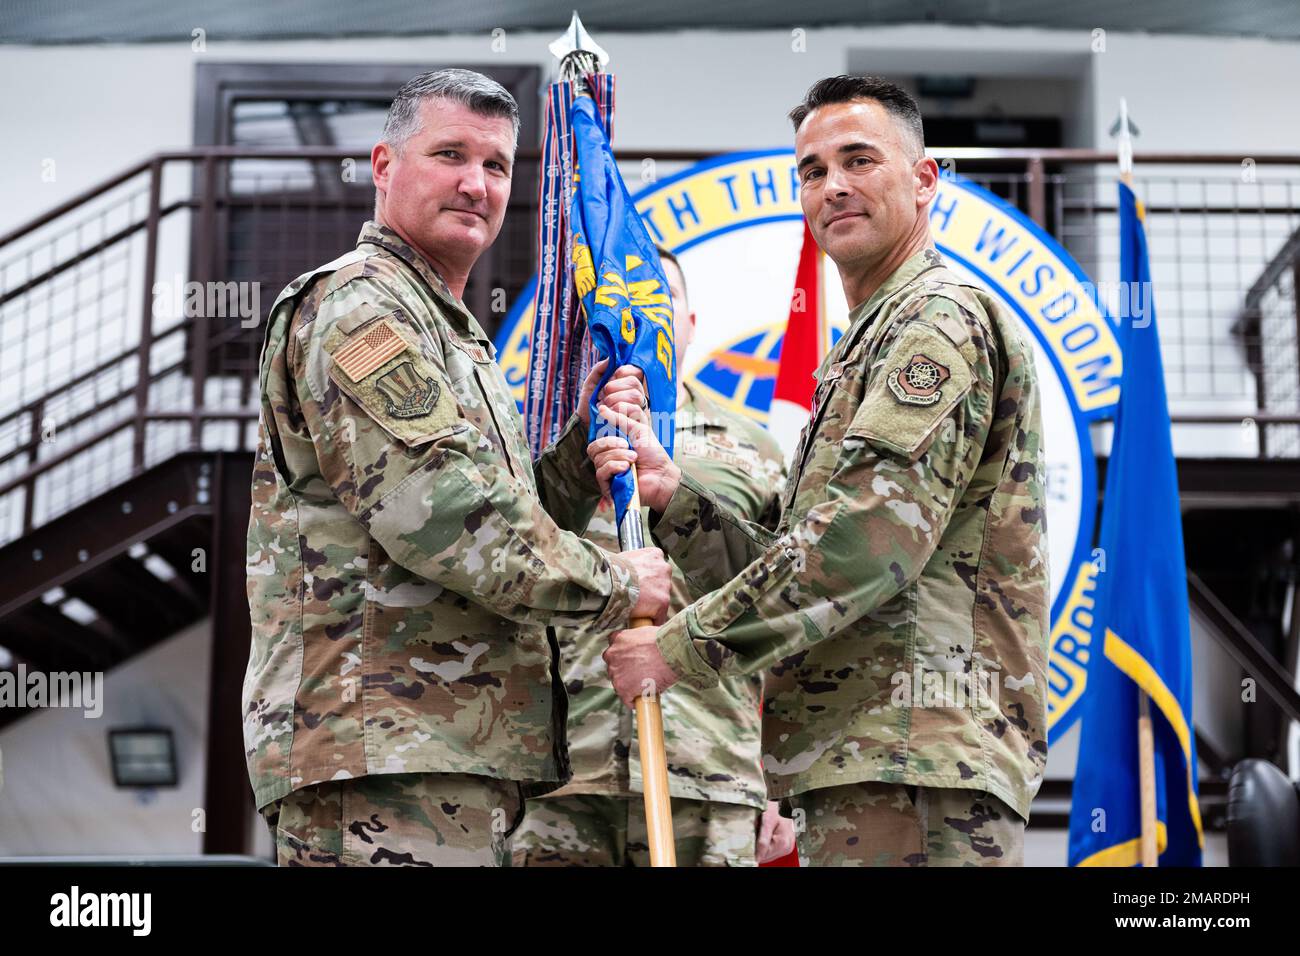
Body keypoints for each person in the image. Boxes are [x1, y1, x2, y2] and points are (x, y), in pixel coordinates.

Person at [590, 75, 1049, 866]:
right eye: (811, 170)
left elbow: (868, 544)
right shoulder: (866, 342)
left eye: (859, 160)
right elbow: (802, 548)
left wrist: (682, 646)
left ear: (925, 178)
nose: (833, 186)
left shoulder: (934, 322)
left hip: (915, 757)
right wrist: (677, 500)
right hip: (868, 756)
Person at [243, 68, 671, 867]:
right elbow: (437, 513)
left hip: (444, 750)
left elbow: (498, 510)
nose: (476, 184)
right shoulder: (363, 307)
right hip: (383, 754)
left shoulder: (451, 332)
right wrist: (616, 584)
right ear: (383, 165)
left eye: (498, 165)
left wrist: (581, 460)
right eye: (449, 155)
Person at [512, 248, 796, 866]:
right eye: (622, 305)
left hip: (711, 770)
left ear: (689, 323)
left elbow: (788, 604)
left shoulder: (754, 450)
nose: (640, 318)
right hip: (560, 773)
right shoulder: (541, 447)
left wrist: (782, 777)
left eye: (658, 302)